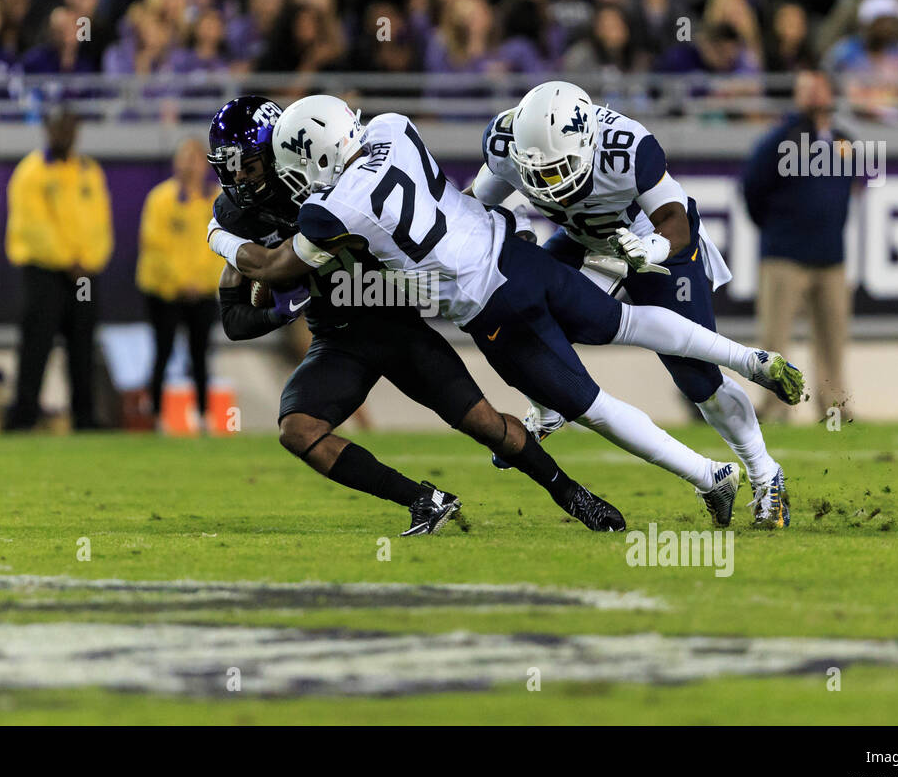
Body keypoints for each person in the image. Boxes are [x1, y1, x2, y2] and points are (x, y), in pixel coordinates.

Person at [217, 97, 808, 531]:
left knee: (599, 406)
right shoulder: (395, 129)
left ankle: (716, 475)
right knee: (619, 322)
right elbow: (467, 195)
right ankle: (749, 360)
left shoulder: (328, 211)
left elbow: (270, 269)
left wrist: (218, 235)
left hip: (508, 294)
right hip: (516, 254)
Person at [205, 96, 621, 536]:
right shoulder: (238, 215)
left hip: (393, 320)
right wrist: (284, 310)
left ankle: (573, 494)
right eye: (229, 168)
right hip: (338, 338)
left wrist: (224, 242)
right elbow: (234, 320)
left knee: (486, 425)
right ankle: (424, 500)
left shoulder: (332, 181)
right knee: (298, 430)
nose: (238, 180)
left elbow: (409, 215)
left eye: (247, 166)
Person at [473, 81, 792, 529]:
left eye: (559, 168)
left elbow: (674, 219)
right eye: (538, 173)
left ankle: (765, 474)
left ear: (586, 144)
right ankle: (545, 412)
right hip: (585, 241)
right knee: (518, 313)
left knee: (696, 378)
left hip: (649, 238)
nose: (550, 184)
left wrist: (654, 251)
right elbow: (476, 205)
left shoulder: (626, 146)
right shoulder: (508, 143)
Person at [742, 69, 858, 425]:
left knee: (832, 340)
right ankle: (775, 408)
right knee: (775, 337)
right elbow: (752, 188)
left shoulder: (843, 141)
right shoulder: (780, 140)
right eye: (804, 90)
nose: (812, 97)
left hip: (830, 257)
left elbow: (846, 191)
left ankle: (834, 408)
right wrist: (779, 229)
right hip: (785, 255)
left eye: (817, 89)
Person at [3, 105, 113, 432]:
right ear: (46, 130)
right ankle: (24, 415)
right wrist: (69, 259)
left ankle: (84, 416)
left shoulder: (89, 171)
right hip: (45, 273)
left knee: (83, 342)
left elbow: (100, 224)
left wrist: (89, 260)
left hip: (84, 275)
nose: (63, 134)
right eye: (57, 127)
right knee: (37, 342)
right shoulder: (31, 172)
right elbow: (32, 227)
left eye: (69, 127)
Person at [137, 137, 223, 430]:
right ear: (176, 162)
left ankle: (203, 416)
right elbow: (154, 246)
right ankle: (156, 416)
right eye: (185, 157)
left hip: (203, 293)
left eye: (196, 158)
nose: (190, 164)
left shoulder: (217, 202)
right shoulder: (160, 199)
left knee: (200, 355)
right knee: (162, 351)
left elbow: (223, 250)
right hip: (165, 292)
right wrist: (181, 282)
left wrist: (202, 283)